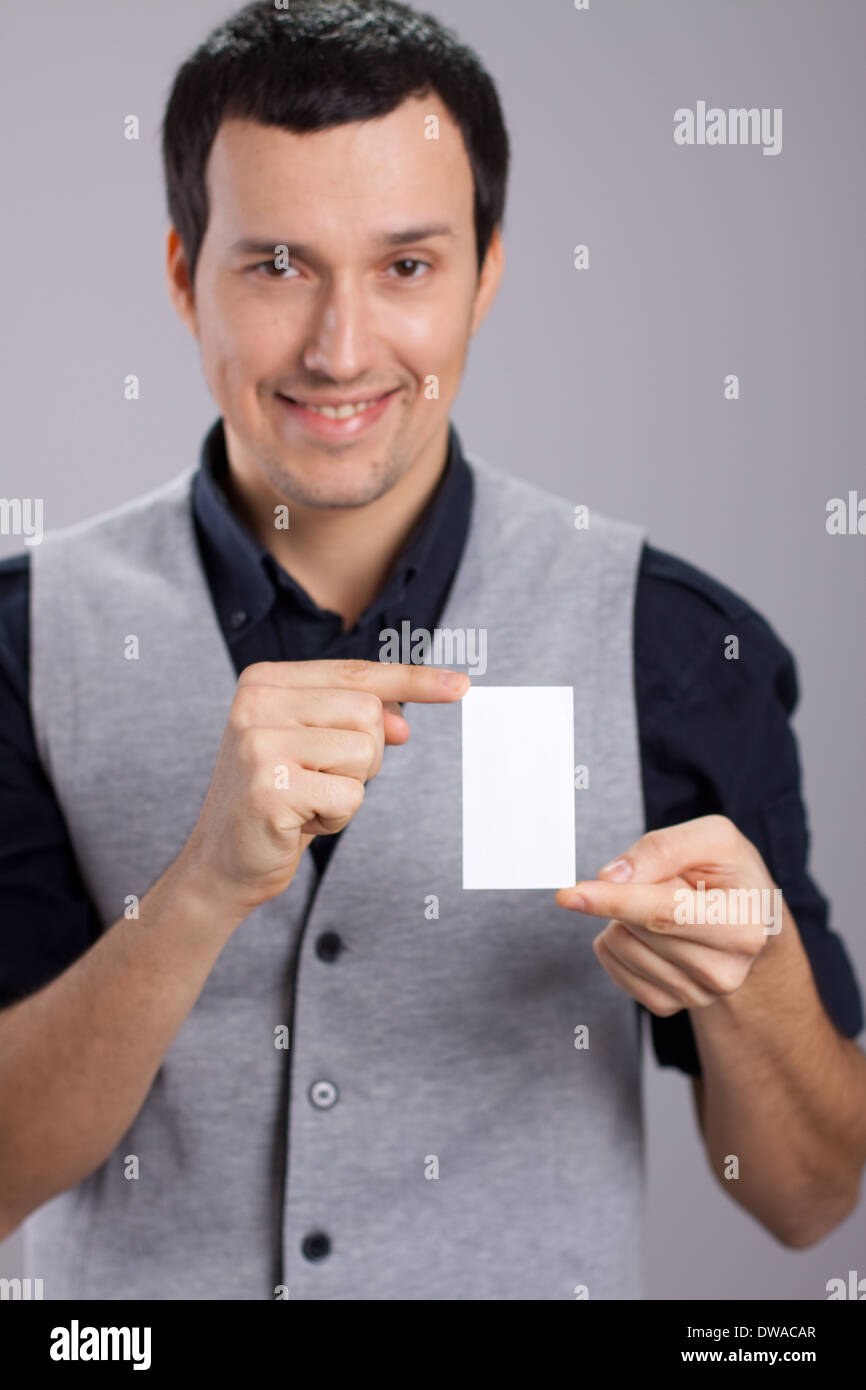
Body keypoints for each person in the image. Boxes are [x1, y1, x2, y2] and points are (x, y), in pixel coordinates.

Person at [0, 0, 863, 1301]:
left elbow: (806, 1198)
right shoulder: (26, 639)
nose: (342, 349)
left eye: (406, 266)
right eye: (277, 264)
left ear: (487, 269)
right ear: (183, 274)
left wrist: (761, 980)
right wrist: (192, 899)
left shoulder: (673, 642)